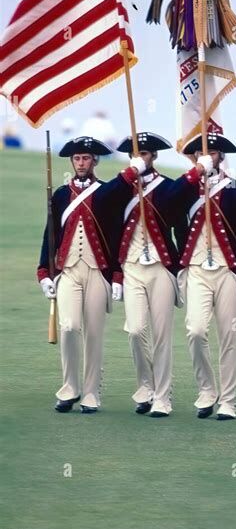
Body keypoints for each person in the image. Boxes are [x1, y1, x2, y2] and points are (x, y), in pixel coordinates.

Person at [37, 136, 145, 414]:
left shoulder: (106, 192)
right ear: (71, 162)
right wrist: (44, 273)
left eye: (86, 158)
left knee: (94, 333)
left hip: (98, 271)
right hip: (68, 271)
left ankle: (91, 392)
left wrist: (117, 276)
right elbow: (50, 234)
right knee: (70, 327)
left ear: (95, 161)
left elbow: (117, 234)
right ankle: (69, 388)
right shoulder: (61, 194)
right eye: (76, 158)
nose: (81, 163)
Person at [172, 131, 236, 421]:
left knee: (229, 335)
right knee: (195, 330)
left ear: (222, 157)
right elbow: (168, 202)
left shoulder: (235, 189)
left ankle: (229, 400)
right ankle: (207, 390)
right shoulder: (186, 187)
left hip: (228, 269)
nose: (209, 157)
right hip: (195, 269)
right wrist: (196, 174)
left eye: (214, 153)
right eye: (203, 154)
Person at [113, 131, 186, 418]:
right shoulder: (119, 188)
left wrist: (180, 271)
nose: (139, 158)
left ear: (154, 157)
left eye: (144, 154)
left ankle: (162, 396)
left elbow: (179, 227)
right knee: (135, 330)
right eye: (134, 154)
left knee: (162, 336)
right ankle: (146, 384)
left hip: (161, 267)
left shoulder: (166, 188)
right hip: (131, 267)